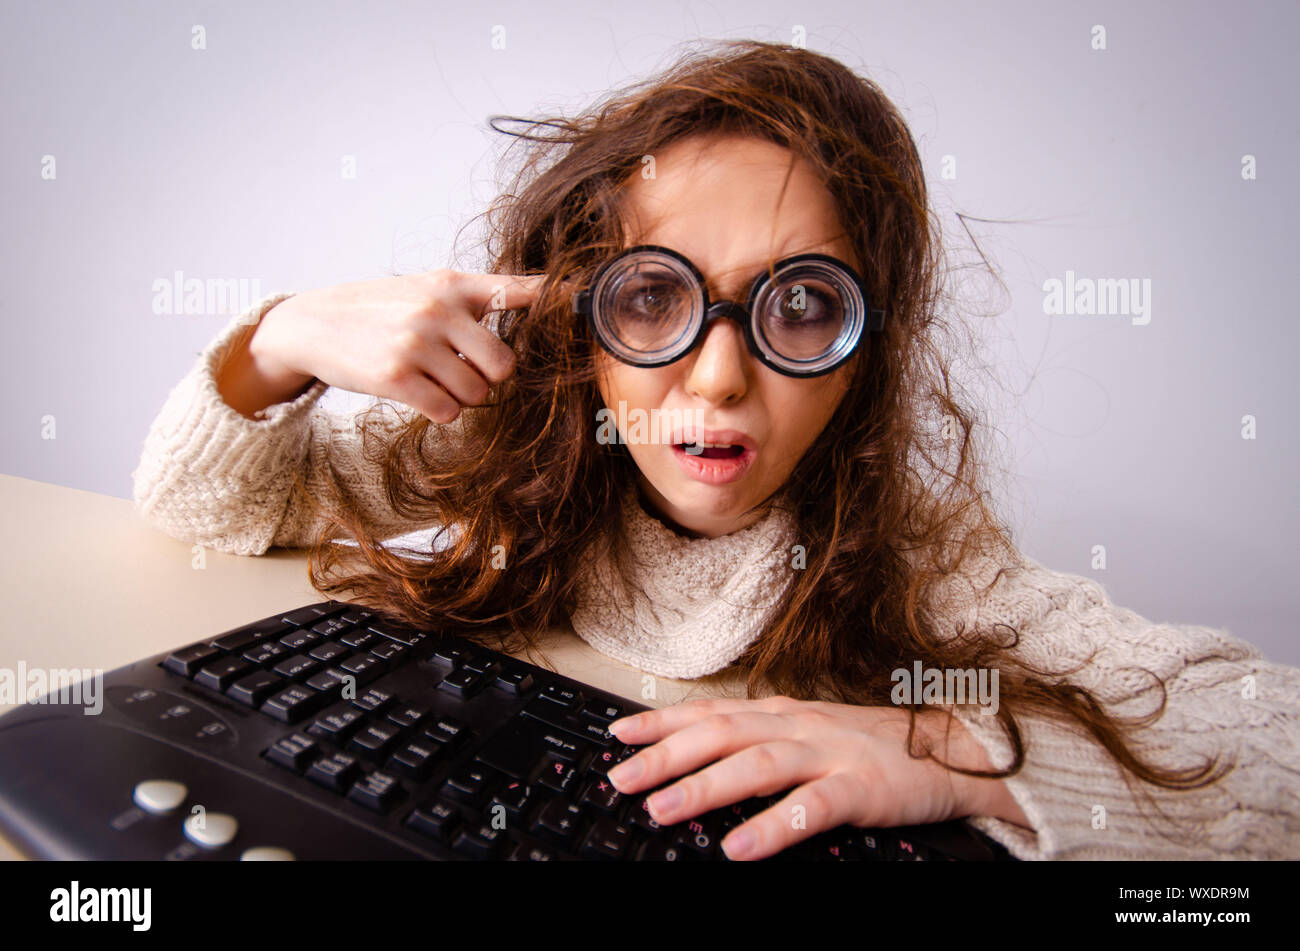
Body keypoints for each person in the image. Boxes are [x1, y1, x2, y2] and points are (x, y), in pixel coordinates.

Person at [131, 39, 1300, 860]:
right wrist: (278, 337)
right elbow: (204, 501)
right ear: (580, 321)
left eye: (799, 307)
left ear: (865, 355)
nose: (718, 375)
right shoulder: (519, 449)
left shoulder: (925, 559)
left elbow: (1269, 736)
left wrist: (950, 747)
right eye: (651, 297)